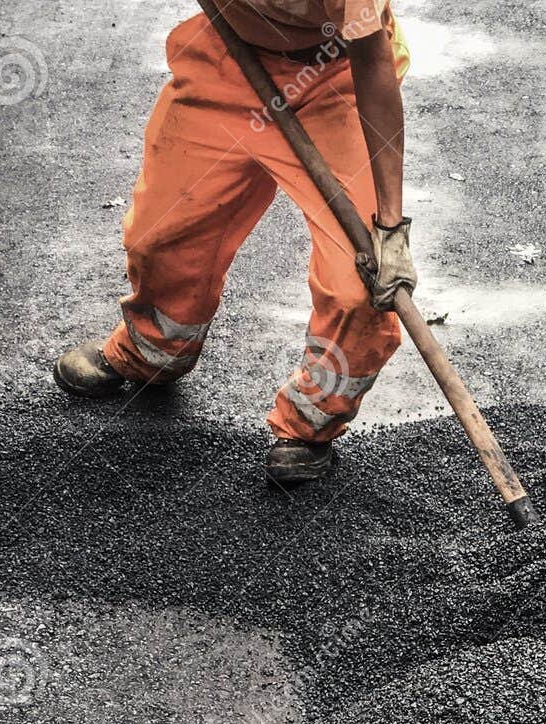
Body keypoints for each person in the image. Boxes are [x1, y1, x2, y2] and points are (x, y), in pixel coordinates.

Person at [53, 1, 417, 488]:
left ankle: (310, 423)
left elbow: (371, 64)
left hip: (336, 76)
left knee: (360, 286)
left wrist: (390, 227)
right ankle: (155, 350)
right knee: (160, 235)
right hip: (230, 56)